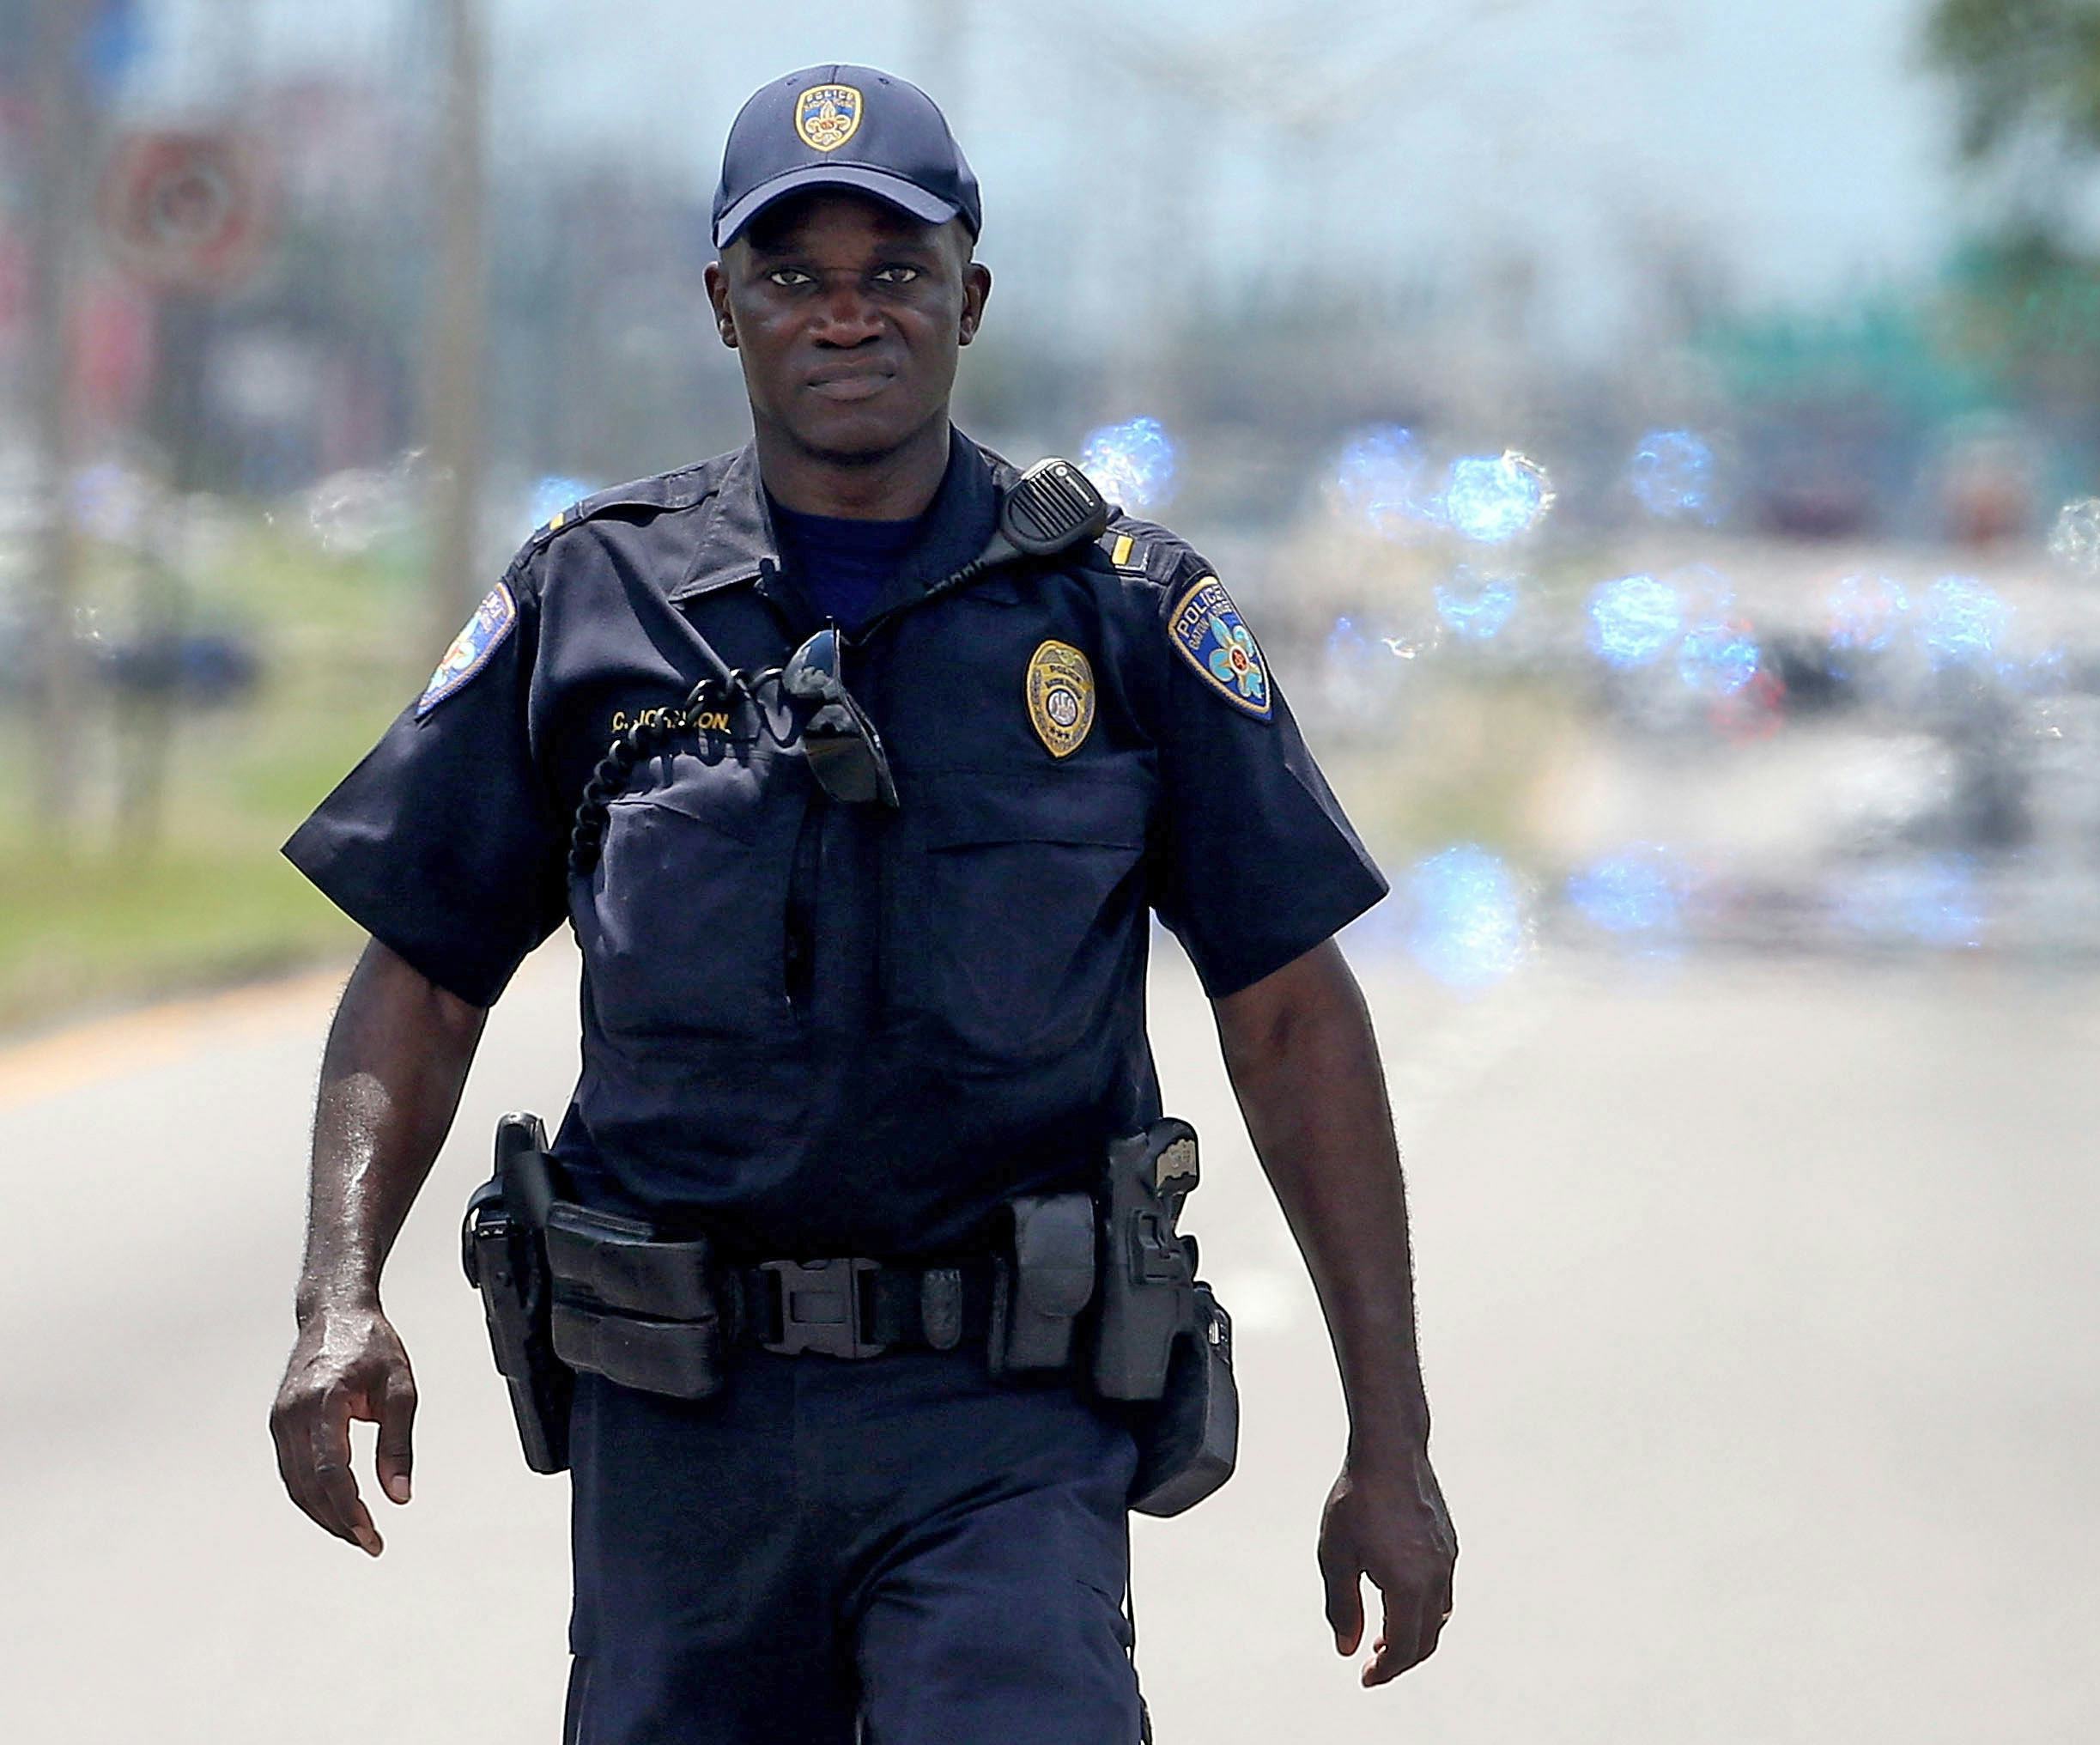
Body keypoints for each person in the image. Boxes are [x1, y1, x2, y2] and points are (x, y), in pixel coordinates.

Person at [266, 64, 1456, 1744]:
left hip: (1005, 1417)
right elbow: (426, 975)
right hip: (682, 1432)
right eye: (793, 277)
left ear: (969, 297)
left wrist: (1388, 1438)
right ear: (722, 308)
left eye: (893, 273)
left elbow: (1289, 1013)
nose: (846, 317)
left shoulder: (1121, 615)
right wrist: (339, 1290)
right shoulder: (593, 600)